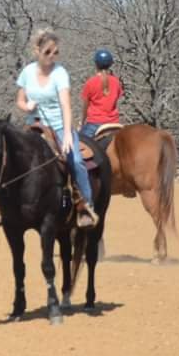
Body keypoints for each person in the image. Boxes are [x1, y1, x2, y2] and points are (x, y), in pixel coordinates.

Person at [15, 27, 96, 228]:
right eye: (47, 52)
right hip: (34, 125)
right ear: (37, 51)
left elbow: (66, 105)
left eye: (55, 52)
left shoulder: (60, 73)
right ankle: (5, 206)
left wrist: (68, 133)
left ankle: (85, 205)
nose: (52, 56)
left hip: (59, 126)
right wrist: (27, 106)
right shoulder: (27, 72)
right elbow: (20, 100)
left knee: (76, 160)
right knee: (13, 157)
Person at [79, 49, 124, 140]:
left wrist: (82, 122)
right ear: (110, 64)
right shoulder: (116, 82)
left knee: (78, 146)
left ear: (96, 64)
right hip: (114, 123)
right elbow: (116, 99)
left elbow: (85, 107)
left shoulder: (90, 83)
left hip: (95, 123)